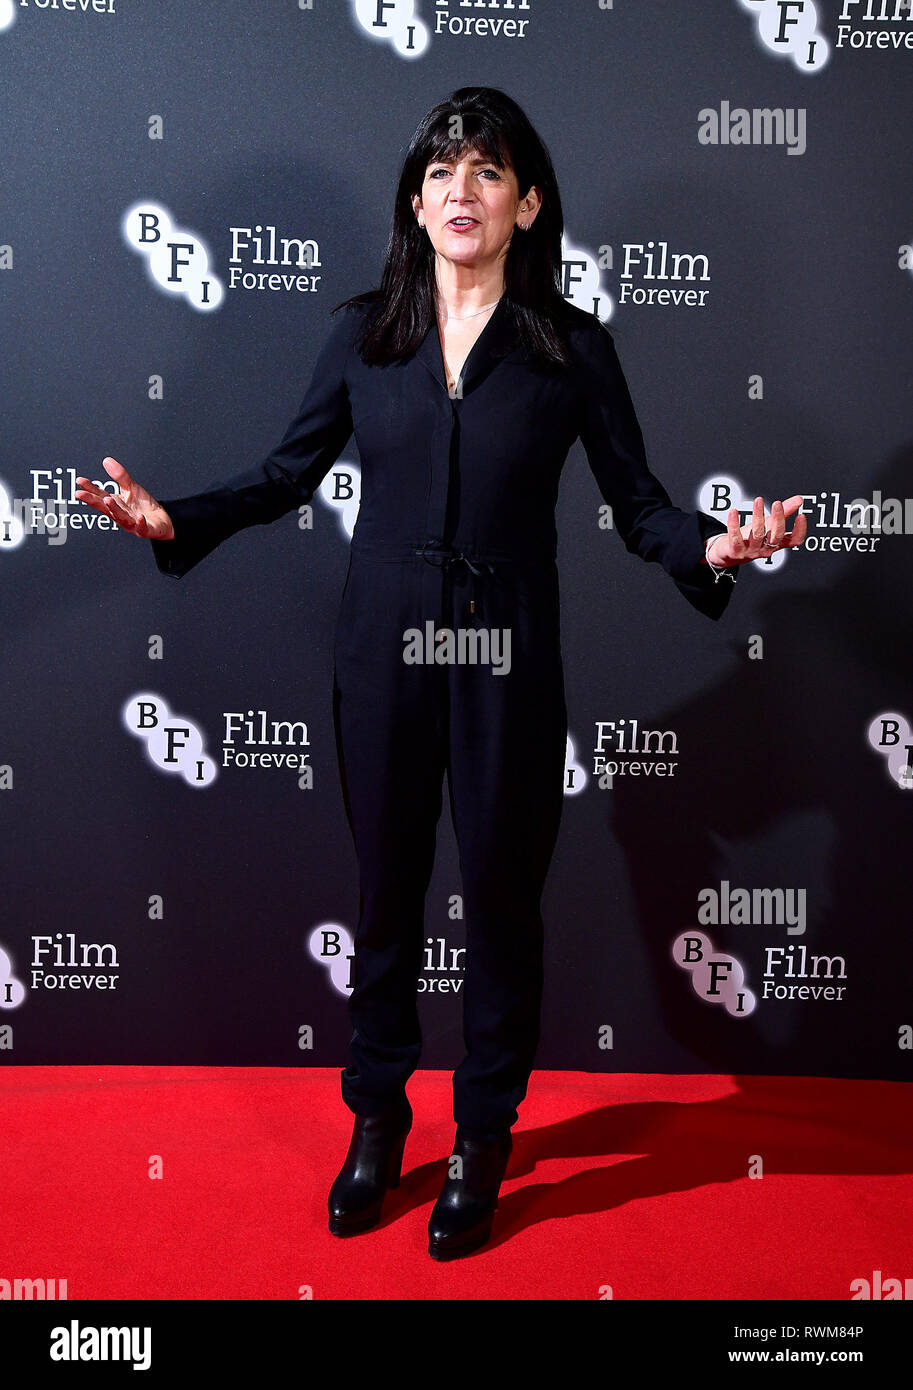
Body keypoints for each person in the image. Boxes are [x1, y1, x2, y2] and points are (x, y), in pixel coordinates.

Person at [75, 86, 806, 1262]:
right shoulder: (367, 334)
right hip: (385, 648)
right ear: (416, 203)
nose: (461, 190)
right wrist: (172, 519)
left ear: (524, 204)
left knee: (504, 905)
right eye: (442, 172)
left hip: (506, 656)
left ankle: (480, 1134)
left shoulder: (571, 350)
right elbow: (281, 472)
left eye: (487, 172)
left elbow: (642, 508)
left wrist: (717, 544)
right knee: (385, 899)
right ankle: (376, 1118)